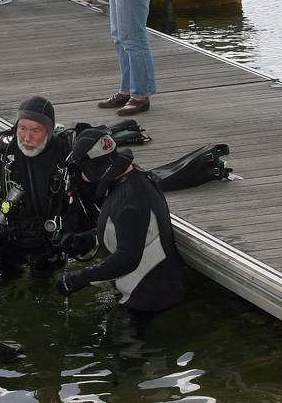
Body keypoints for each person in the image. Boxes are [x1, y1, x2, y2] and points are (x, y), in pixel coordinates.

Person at [0, 96, 96, 274]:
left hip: (52, 244)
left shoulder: (66, 153)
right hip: (6, 245)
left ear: (50, 131)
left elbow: (98, 201)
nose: (26, 138)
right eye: (22, 129)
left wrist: (86, 238)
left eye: (35, 131)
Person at [56, 127, 185, 315]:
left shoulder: (129, 201)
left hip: (149, 299)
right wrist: (88, 239)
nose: (80, 176)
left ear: (95, 167)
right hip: (144, 290)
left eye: (81, 169)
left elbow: (127, 259)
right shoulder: (133, 180)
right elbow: (131, 231)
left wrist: (79, 278)